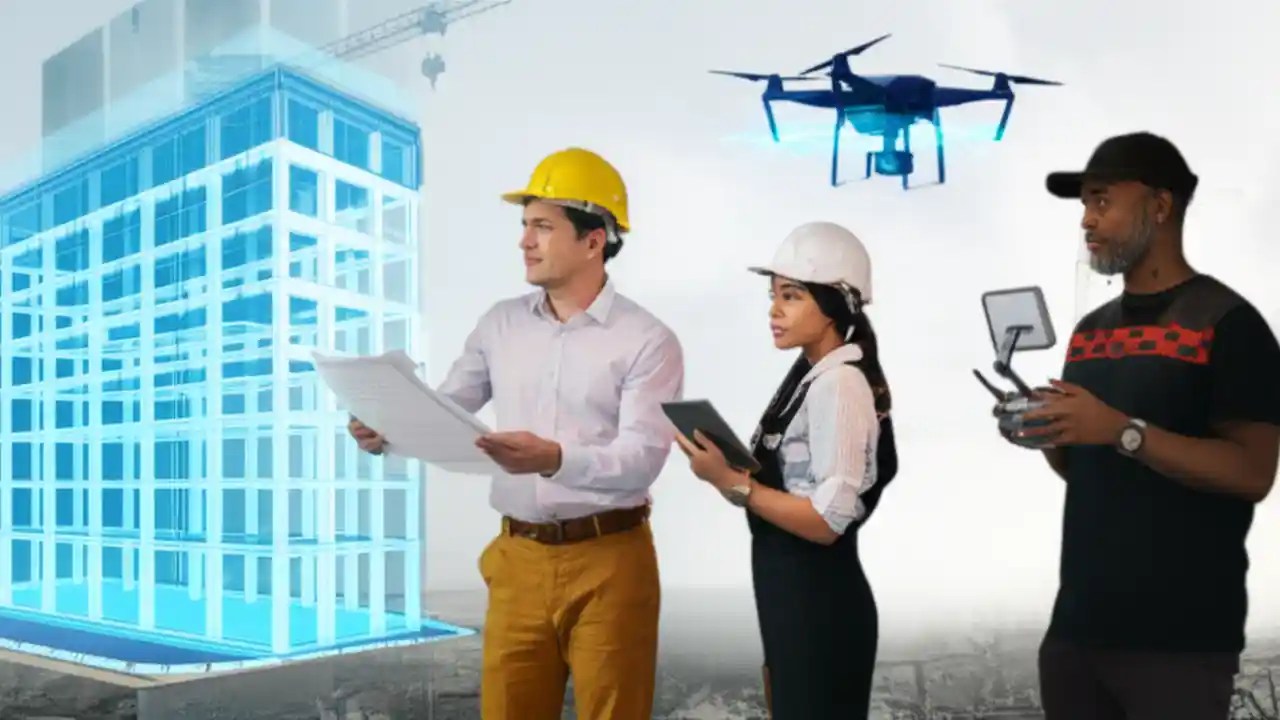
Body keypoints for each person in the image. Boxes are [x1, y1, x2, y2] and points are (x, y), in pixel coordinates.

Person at [348, 147, 684, 720]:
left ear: (593, 240)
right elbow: (448, 407)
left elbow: (641, 458)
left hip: (610, 560)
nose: (525, 242)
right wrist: (387, 427)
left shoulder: (648, 340)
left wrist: (554, 458)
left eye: (542, 227)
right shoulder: (500, 323)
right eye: (525, 226)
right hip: (517, 560)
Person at [1010, 131, 1280, 719]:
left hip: (1179, 645)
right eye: (1085, 203)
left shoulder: (1230, 324)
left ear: (1160, 207)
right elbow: (1087, 471)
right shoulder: (1089, 332)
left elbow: (1254, 473)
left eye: (1102, 201)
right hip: (1075, 636)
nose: (1086, 220)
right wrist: (1047, 431)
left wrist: (1121, 430)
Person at [675, 221, 899, 719]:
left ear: (835, 304)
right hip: (794, 606)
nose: (774, 310)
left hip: (820, 611)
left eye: (792, 296)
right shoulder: (810, 377)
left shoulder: (839, 385)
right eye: (773, 295)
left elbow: (827, 522)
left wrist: (732, 482)